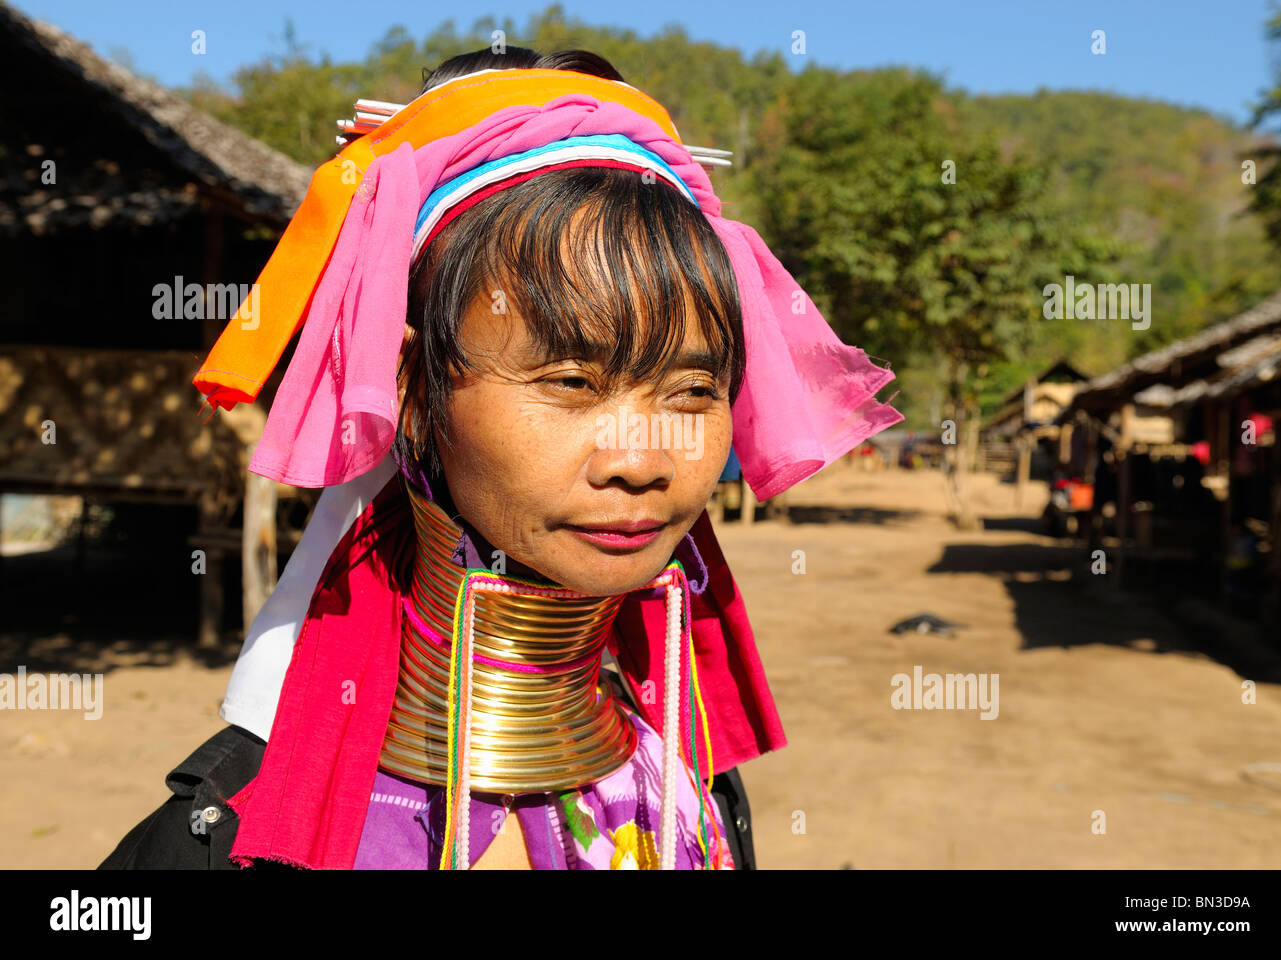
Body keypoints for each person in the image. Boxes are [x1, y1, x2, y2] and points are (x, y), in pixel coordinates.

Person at [100, 45, 902, 870]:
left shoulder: (685, 783)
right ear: (411, 385)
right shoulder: (223, 842)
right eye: (570, 379)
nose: (643, 460)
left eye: (692, 391)